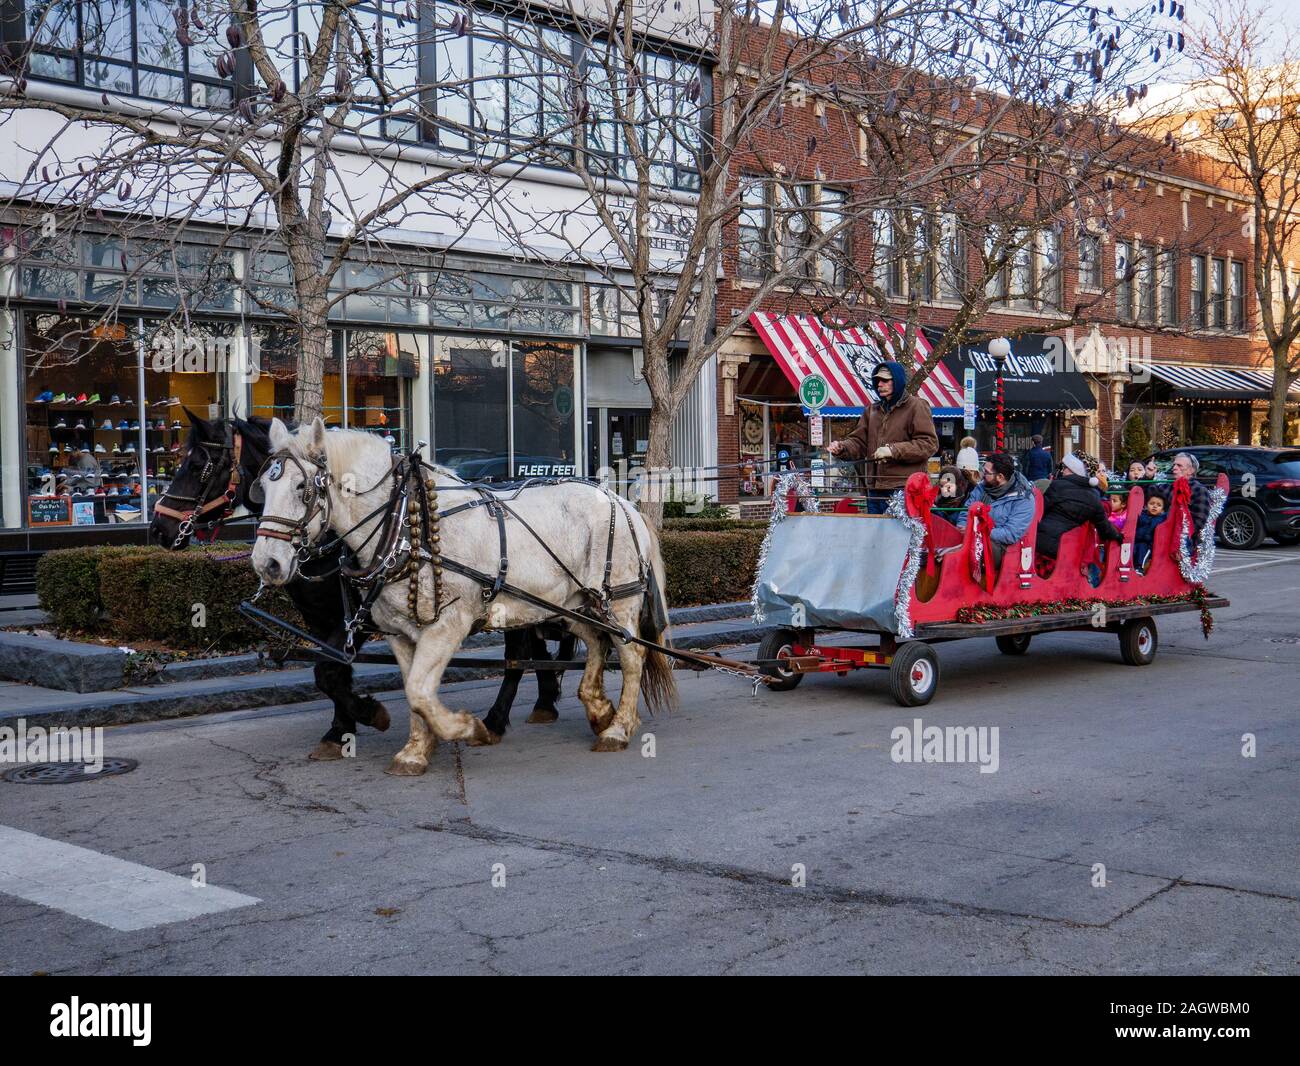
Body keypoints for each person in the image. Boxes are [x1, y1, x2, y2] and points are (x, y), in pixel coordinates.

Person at [827, 360, 938, 514]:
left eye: (885, 380)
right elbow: (859, 442)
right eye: (877, 380)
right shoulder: (872, 410)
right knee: (877, 537)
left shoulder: (917, 406)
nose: (879, 384)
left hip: (903, 488)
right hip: (874, 489)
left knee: (901, 537)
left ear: (897, 381)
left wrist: (893, 450)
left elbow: (929, 444)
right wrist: (843, 448)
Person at [950, 452, 1037, 570]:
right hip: (971, 536)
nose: (982, 475)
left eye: (986, 473)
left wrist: (977, 532)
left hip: (1002, 546)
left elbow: (1010, 534)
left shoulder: (1023, 498)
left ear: (1000, 477)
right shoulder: (982, 487)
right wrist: (962, 526)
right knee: (946, 543)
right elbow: (966, 511)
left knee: (967, 555)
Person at [1035, 450, 1122, 561]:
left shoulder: (1057, 485)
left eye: (1066, 468)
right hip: (1068, 548)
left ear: (1073, 471)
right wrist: (1117, 536)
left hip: (1041, 542)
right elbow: (1104, 526)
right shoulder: (1094, 497)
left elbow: (1041, 511)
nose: (1063, 471)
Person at [1148, 452, 1211, 541]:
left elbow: (1198, 522)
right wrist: (1149, 476)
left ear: (1191, 470)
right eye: (1174, 465)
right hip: (1162, 536)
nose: (1174, 468)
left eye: (1179, 465)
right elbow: (1147, 491)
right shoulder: (1170, 487)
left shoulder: (1199, 490)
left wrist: (1178, 537)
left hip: (1183, 542)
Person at [1134, 494, 1168, 571]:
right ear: (1146, 506)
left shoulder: (1161, 519)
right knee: (1133, 549)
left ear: (1162, 510)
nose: (1154, 506)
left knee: (1142, 550)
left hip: (1149, 545)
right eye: (1152, 504)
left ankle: (1139, 568)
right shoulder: (1142, 516)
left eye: (1159, 505)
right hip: (1137, 541)